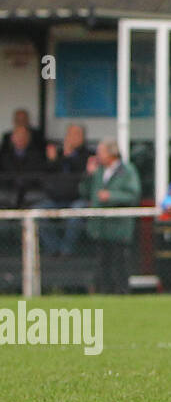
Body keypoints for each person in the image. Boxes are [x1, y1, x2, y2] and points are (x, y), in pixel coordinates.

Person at [79, 140, 141, 294]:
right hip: (100, 226)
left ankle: (122, 292)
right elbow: (84, 192)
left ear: (112, 154)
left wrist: (111, 196)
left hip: (119, 227)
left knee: (120, 262)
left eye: (101, 152)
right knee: (102, 262)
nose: (97, 156)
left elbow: (133, 195)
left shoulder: (127, 171)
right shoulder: (98, 171)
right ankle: (103, 292)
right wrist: (88, 175)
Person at [35, 124, 92, 255]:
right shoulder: (58, 154)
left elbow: (81, 170)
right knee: (38, 212)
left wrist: (69, 156)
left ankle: (67, 250)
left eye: (77, 134)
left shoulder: (88, 155)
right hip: (56, 198)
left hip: (77, 198)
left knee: (76, 214)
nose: (72, 138)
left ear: (83, 137)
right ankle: (54, 249)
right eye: (70, 134)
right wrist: (53, 160)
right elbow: (46, 172)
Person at [0, 123, 48, 207]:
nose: (20, 138)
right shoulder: (4, 156)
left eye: (23, 135)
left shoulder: (37, 156)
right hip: (8, 189)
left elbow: (40, 176)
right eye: (18, 135)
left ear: (28, 138)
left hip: (30, 189)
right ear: (12, 138)